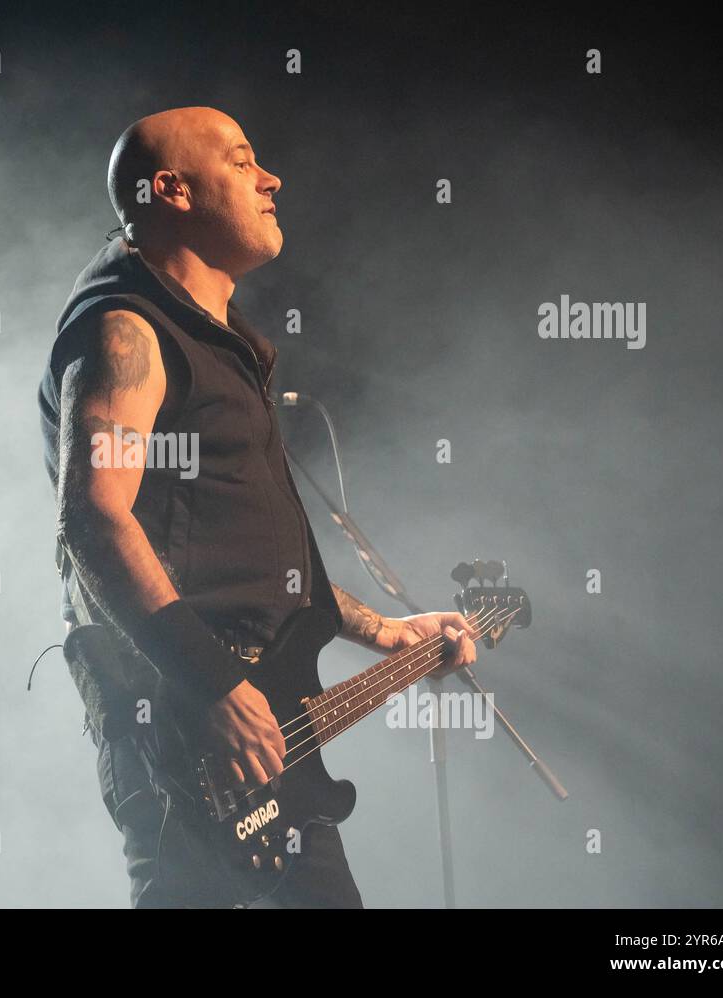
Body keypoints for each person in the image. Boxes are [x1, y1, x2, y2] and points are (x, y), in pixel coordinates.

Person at [37, 106, 477, 907]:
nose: (271, 178)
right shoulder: (125, 332)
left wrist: (386, 631)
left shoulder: (214, 345)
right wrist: (214, 687)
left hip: (252, 727)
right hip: (187, 727)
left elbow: (257, 566)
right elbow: (93, 519)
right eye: (242, 162)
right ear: (170, 189)